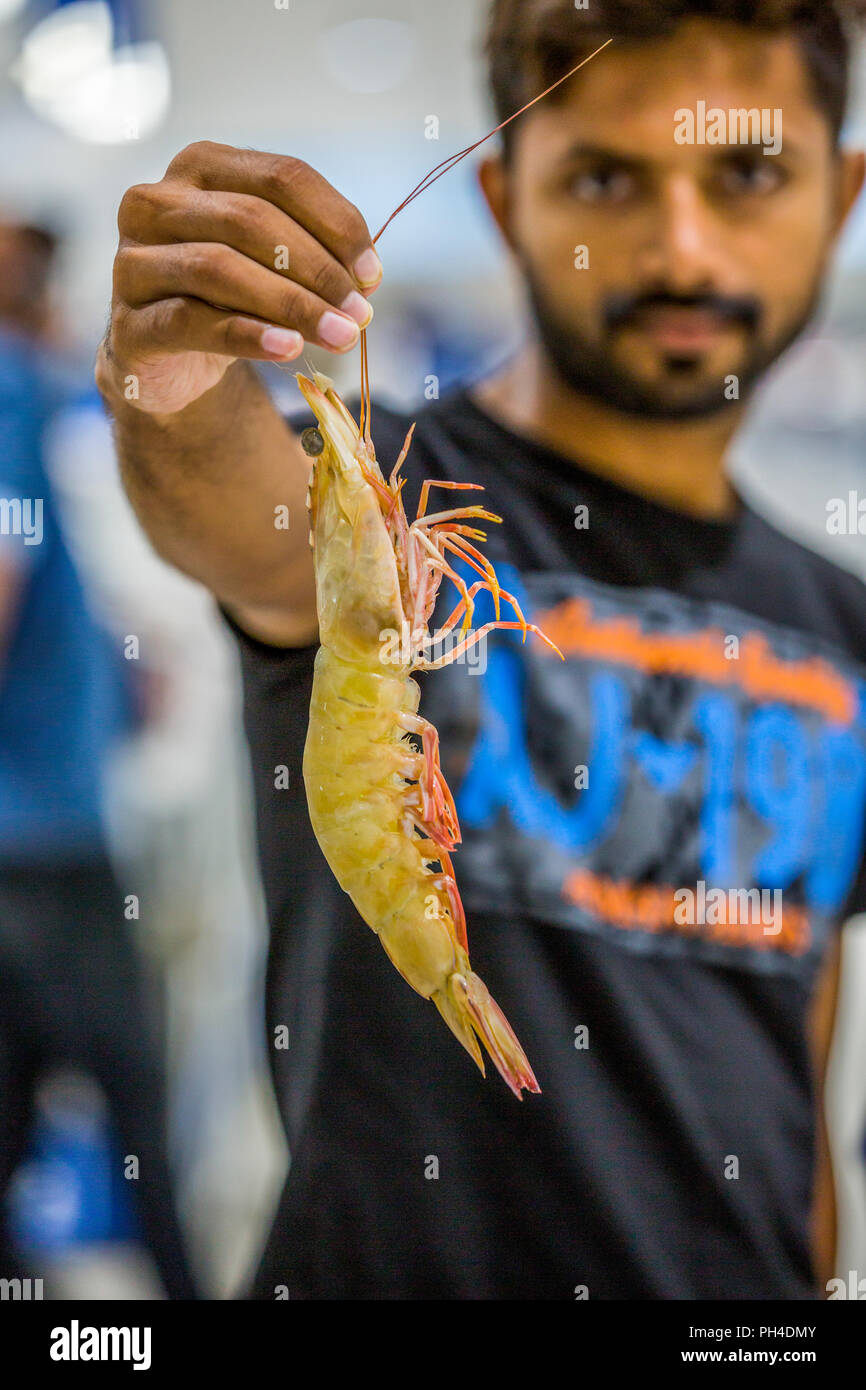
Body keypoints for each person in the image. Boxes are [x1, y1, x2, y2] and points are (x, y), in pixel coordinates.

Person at [96, 0, 866, 1299]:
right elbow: (239, 509)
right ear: (507, 200)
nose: (679, 246)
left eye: (743, 172)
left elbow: (794, 1036)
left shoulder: (840, 622)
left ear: (841, 194)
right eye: (607, 176)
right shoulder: (415, 474)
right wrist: (170, 377)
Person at [0, 219, 197, 1299]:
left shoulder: (17, 391)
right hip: (44, 847)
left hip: (46, 837)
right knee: (131, 1117)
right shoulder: (17, 390)